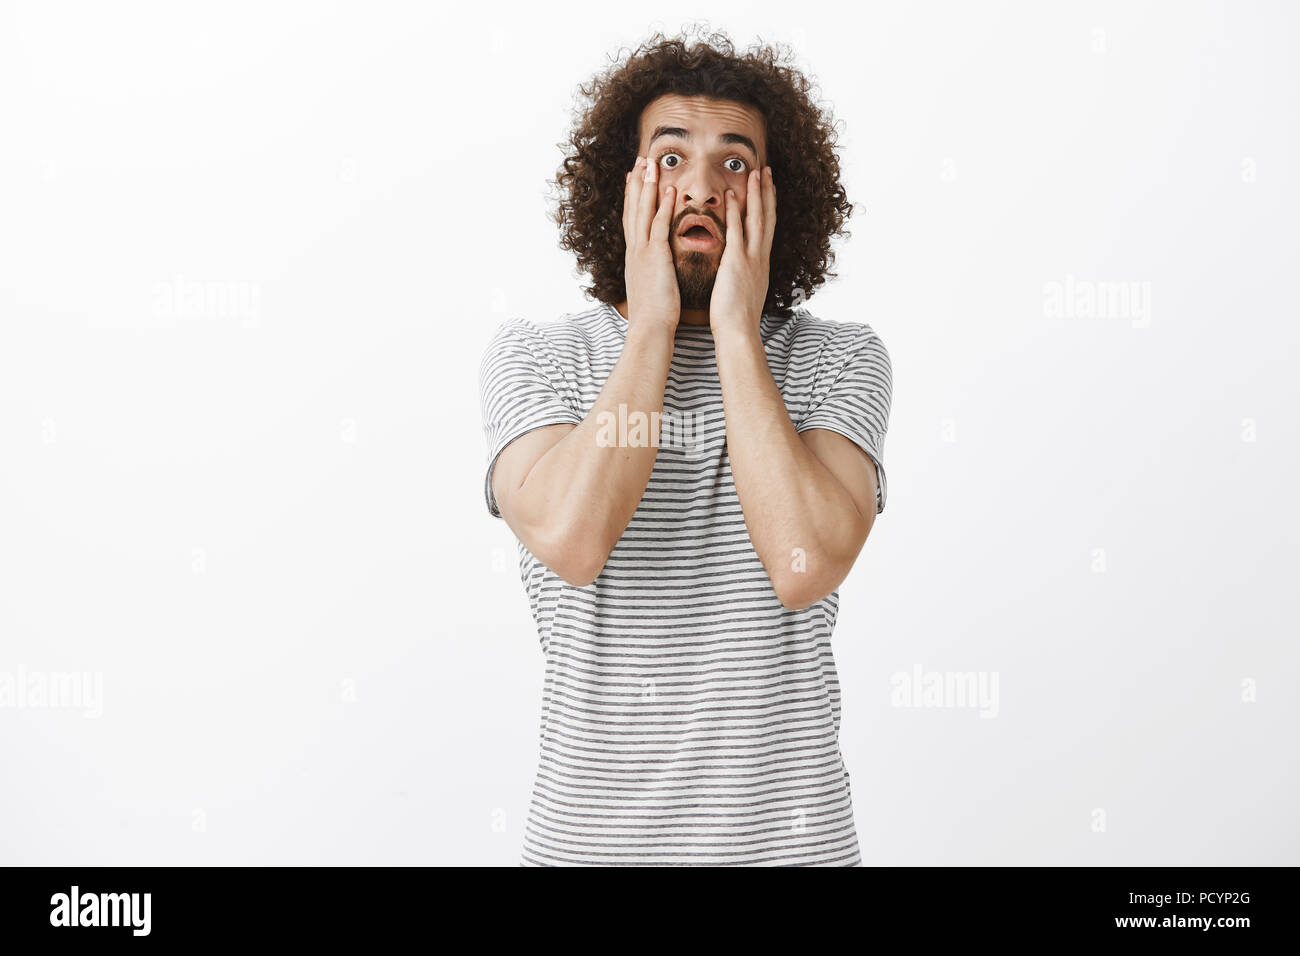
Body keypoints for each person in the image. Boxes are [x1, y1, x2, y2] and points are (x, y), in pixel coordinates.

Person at [478, 28, 893, 866]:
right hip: (587, 847)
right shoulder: (538, 357)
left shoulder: (841, 359)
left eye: (734, 163)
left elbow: (805, 563)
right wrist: (655, 322)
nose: (700, 186)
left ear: (779, 194)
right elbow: (573, 539)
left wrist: (738, 329)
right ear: (622, 188)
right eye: (670, 160)